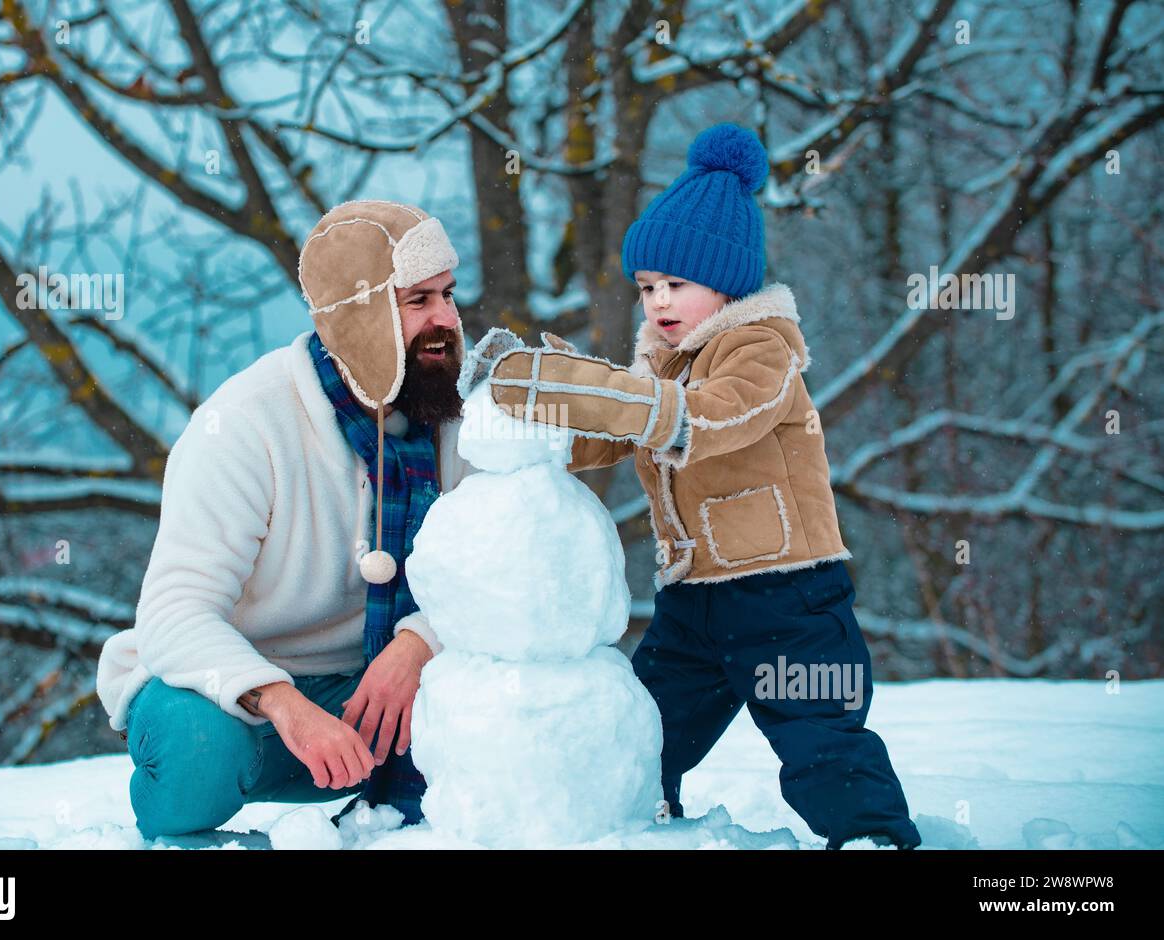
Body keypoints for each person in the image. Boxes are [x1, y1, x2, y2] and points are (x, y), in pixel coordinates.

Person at [485, 124, 921, 850]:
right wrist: (538, 402)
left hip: (786, 596)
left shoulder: (763, 350)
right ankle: (630, 830)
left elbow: (713, 419)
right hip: (691, 604)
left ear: (728, 282)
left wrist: (605, 391)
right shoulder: (660, 367)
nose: (658, 301)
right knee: (642, 732)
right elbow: (609, 433)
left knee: (821, 739)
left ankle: (873, 837)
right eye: (647, 287)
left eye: (676, 284)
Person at [95, 199, 475, 839]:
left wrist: (417, 643)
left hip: (374, 692)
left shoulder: (453, 409)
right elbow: (174, 613)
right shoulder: (244, 423)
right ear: (359, 316)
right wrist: (283, 703)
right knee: (198, 749)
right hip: (233, 695)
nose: (446, 320)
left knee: (504, 707)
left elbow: (493, 571)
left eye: (448, 294)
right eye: (418, 301)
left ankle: (414, 822)